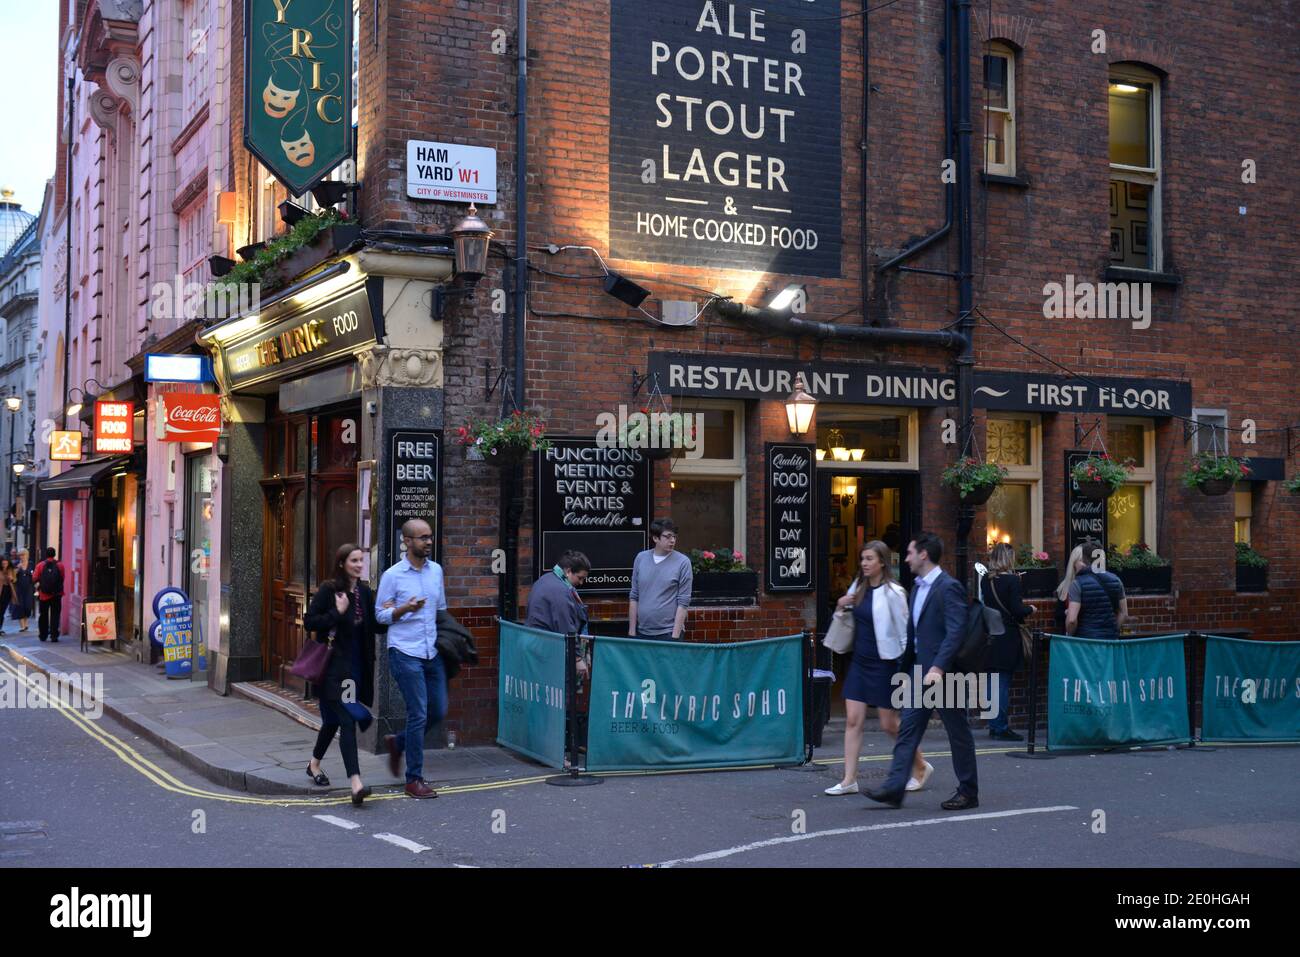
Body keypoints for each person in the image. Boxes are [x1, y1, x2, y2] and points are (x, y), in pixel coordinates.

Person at [864, 532, 979, 810]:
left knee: (958, 733)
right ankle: (894, 788)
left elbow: (955, 631)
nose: (906, 558)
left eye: (910, 553)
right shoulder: (917, 587)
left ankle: (968, 792)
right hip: (919, 673)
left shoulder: (947, 587)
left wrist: (938, 667)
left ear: (923, 555)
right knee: (908, 731)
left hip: (945, 675)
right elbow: (915, 634)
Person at [824, 541, 931, 796]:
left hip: (886, 664)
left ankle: (921, 766)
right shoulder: (858, 588)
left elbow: (906, 632)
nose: (864, 563)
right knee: (853, 720)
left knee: (889, 725)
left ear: (882, 561)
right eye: (862, 559)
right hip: (860, 662)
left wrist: (906, 668)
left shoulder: (894, 592)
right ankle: (849, 779)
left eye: (869, 559)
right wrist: (840, 606)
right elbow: (847, 620)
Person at [302, 543, 379, 806]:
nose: (359, 564)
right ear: (342, 563)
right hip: (333, 668)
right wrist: (337, 612)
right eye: (354, 560)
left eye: (361, 560)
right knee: (348, 719)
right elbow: (309, 622)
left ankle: (313, 764)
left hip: (357, 668)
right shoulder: (329, 590)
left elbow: (375, 626)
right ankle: (356, 783)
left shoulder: (366, 593)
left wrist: (401, 611)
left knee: (332, 721)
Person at [375, 518, 447, 799]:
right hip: (404, 652)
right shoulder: (393, 576)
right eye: (422, 538)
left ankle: (398, 742)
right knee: (418, 713)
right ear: (406, 541)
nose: (428, 542)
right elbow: (380, 615)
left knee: (437, 711)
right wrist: (404, 608)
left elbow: (440, 610)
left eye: (430, 537)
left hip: (431, 652)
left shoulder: (436, 571)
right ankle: (413, 779)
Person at [981, 542, 1035, 742]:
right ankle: (1000, 727)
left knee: (992, 682)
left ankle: (993, 724)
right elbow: (1017, 609)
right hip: (1007, 636)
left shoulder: (986, 581)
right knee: (1002, 682)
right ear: (1007, 558)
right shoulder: (1012, 580)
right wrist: (1030, 609)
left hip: (991, 636)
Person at [526, 549, 592, 677]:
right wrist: (577, 659)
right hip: (549, 650)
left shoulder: (544, 580)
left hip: (536, 646)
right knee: (561, 691)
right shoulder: (561, 591)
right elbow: (565, 626)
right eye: (580, 577)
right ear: (568, 571)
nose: (581, 582)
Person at [628, 518, 692, 641]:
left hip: (668, 633)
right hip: (642, 632)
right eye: (667, 537)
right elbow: (634, 596)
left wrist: (675, 636)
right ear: (655, 538)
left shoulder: (683, 562)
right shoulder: (641, 558)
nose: (672, 540)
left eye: (674, 536)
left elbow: (683, 602)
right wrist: (632, 631)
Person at [1057, 541, 1128, 639]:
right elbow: (1124, 613)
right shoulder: (1116, 580)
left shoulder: (1077, 583)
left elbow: (1072, 620)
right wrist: (1112, 632)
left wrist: (1070, 635)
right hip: (1110, 640)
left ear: (1084, 559)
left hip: (1086, 641)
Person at [33, 547, 65, 643]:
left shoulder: (40, 565)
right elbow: (62, 577)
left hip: (44, 594)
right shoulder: (60, 565)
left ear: (46, 554)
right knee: (55, 614)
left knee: (43, 615)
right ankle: (54, 635)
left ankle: (43, 635)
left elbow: (34, 578)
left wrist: (39, 587)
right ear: (54, 554)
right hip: (57, 594)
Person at [12, 550, 34, 632]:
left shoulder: (31, 564)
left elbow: (34, 574)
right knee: (20, 606)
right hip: (19, 588)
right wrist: (18, 568)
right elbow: (12, 576)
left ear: (27, 555)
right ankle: (23, 626)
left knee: (27, 606)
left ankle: (26, 622)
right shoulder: (16, 564)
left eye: (23, 555)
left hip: (29, 588)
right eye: (20, 555)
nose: (22, 556)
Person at [0, 558, 12, 635]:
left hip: (7, 592)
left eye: (6, 564)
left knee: (2, 611)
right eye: (3, 564)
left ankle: (0, 628)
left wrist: (12, 579)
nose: (5, 565)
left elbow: (14, 580)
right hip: (1, 591)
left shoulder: (10, 571)